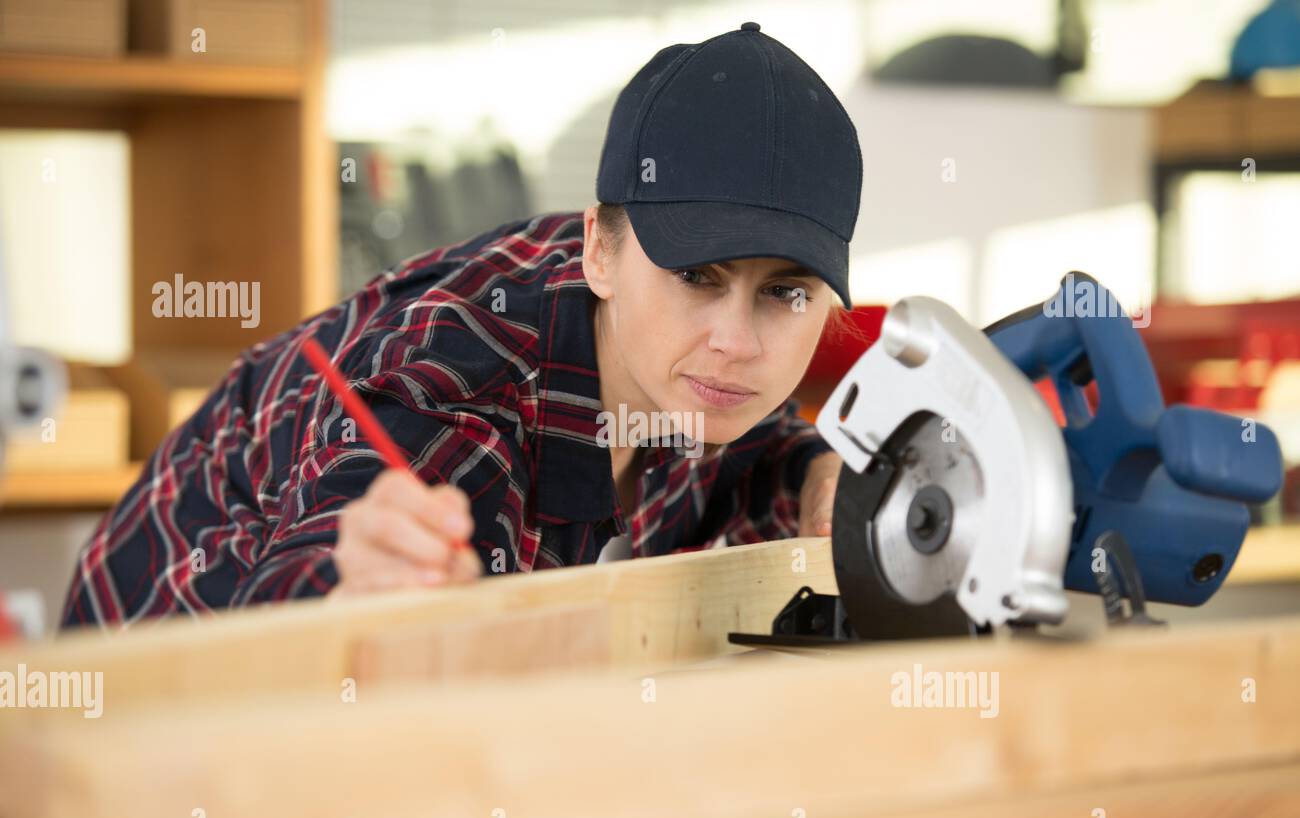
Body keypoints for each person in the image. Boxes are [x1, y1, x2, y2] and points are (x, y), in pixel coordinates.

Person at [61, 21, 863, 626]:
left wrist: (814, 474)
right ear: (599, 253)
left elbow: (746, 454)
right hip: (139, 698)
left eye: (785, 293)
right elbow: (305, 626)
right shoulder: (450, 399)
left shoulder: (679, 362)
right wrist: (359, 585)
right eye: (698, 275)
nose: (736, 342)